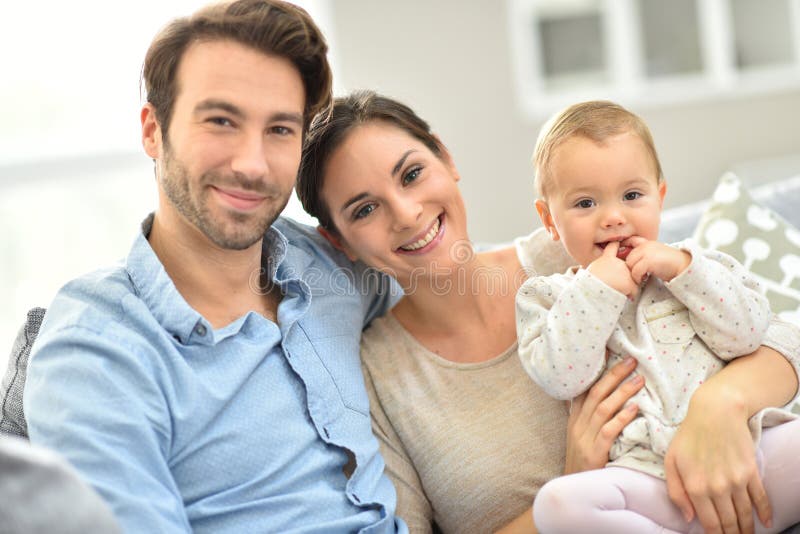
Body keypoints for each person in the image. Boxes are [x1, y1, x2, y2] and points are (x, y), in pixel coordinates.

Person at [295, 90, 800, 534]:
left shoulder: (586, 243)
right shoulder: (374, 380)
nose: (406, 214)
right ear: (340, 243)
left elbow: (774, 336)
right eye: (365, 209)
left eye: (411, 174)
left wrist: (720, 407)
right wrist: (575, 480)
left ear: (445, 158)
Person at [23, 2, 406, 532]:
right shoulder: (97, 352)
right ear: (153, 131)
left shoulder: (325, 260)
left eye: (279, 129)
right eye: (221, 121)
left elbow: (453, 298)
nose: (251, 164)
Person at [516, 100, 800, 533]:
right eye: (585, 203)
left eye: (632, 196)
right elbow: (561, 376)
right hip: (649, 485)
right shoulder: (547, 297)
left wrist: (685, 270)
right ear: (549, 220)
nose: (613, 217)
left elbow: (748, 334)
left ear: (660, 196)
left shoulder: (695, 266)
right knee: (556, 505)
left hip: (753, 456)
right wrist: (597, 289)